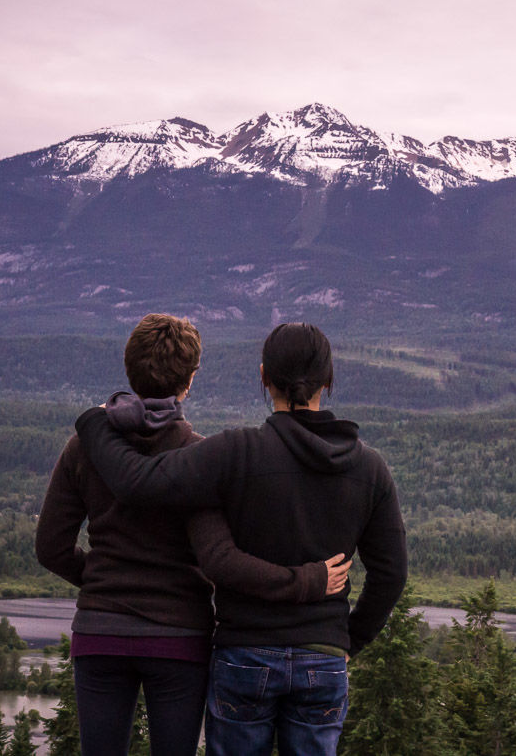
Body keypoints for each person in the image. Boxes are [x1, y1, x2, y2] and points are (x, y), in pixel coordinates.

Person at [73, 322, 408, 756]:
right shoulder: (371, 469)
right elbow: (392, 573)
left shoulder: (235, 453)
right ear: (329, 379)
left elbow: (138, 483)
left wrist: (95, 423)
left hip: (245, 654)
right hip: (323, 654)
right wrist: (350, 640)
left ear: (264, 377)